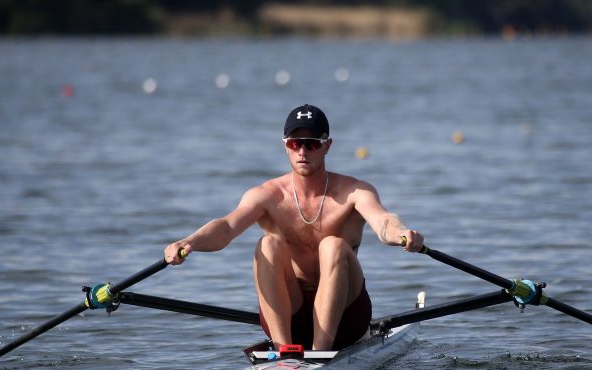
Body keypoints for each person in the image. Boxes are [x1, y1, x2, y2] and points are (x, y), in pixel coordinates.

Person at [164, 104, 423, 351]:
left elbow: (383, 221)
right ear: (285, 146)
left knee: (332, 245)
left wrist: (402, 233)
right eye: (295, 143)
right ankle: (284, 351)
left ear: (327, 146)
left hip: (346, 317)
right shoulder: (266, 195)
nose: (302, 152)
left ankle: (319, 354)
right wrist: (191, 242)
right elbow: (227, 227)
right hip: (290, 316)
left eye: (312, 144)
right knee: (268, 244)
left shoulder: (355, 191)